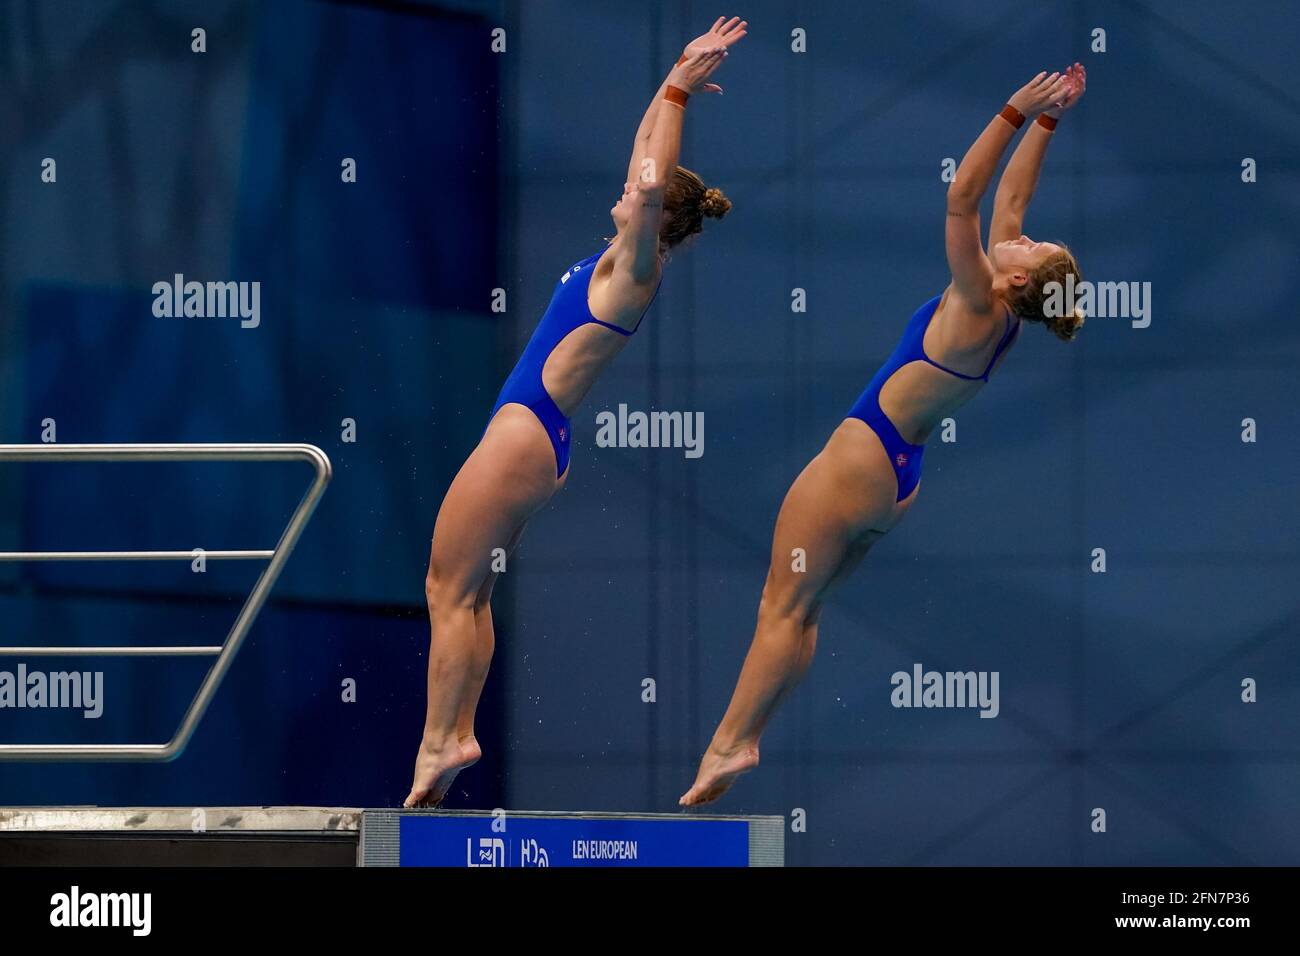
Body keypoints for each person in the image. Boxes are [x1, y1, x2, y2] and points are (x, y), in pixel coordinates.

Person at [681, 64, 1087, 806]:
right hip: (896, 478)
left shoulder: (974, 300)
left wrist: (1010, 109)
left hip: (863, 456)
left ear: (1020, 282)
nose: (1022, 236)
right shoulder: (1001, 316)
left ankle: (730, 742)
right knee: (804, 608)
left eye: (1031, 247)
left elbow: (965, 199)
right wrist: (1049, 122)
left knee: (780, 602)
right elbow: (1012, 201)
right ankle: (744, 740)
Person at [406, 17, 747, 808]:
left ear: (660, 221)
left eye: (641, 192)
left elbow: (654, 178)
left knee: (445, 587)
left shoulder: (637, 267)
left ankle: (441, 737)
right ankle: (454, 732)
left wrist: (680, 91)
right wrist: (673, 74)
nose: (628, 186)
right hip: (535, 437)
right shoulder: (621, 252)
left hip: (525, 431)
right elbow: (645, 158)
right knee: (473, 593)